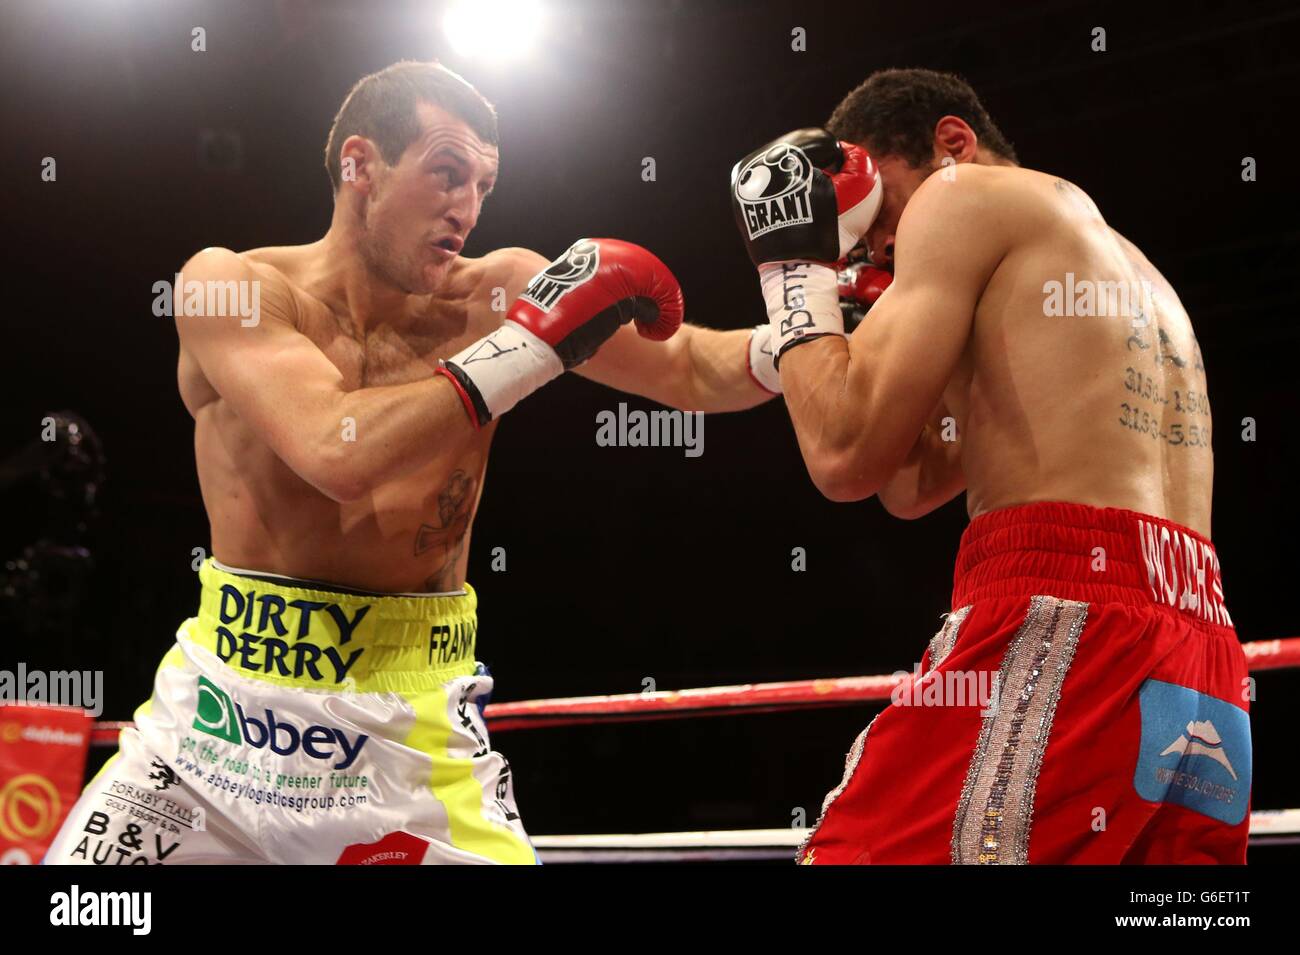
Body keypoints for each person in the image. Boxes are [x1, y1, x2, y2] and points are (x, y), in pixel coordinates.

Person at [44, 60, 773, 866]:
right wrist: (526, 350)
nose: (468, 207)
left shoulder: (498, 295)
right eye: (448, 173)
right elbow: (335, 448)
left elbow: (697, 368)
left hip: (410, 736)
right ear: (359, 164)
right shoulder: (231, 286)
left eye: (485, 186)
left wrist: (814, 312)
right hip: (212, 732)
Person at [730, 68, 1250, 864]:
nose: (884, 250)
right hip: (1202, 648)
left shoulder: (959, 194)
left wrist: (790, 271)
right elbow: (908, 485)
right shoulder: (1128, 270)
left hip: (1067, 613)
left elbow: (841, 454)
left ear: (951, 143)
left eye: (883, 213)